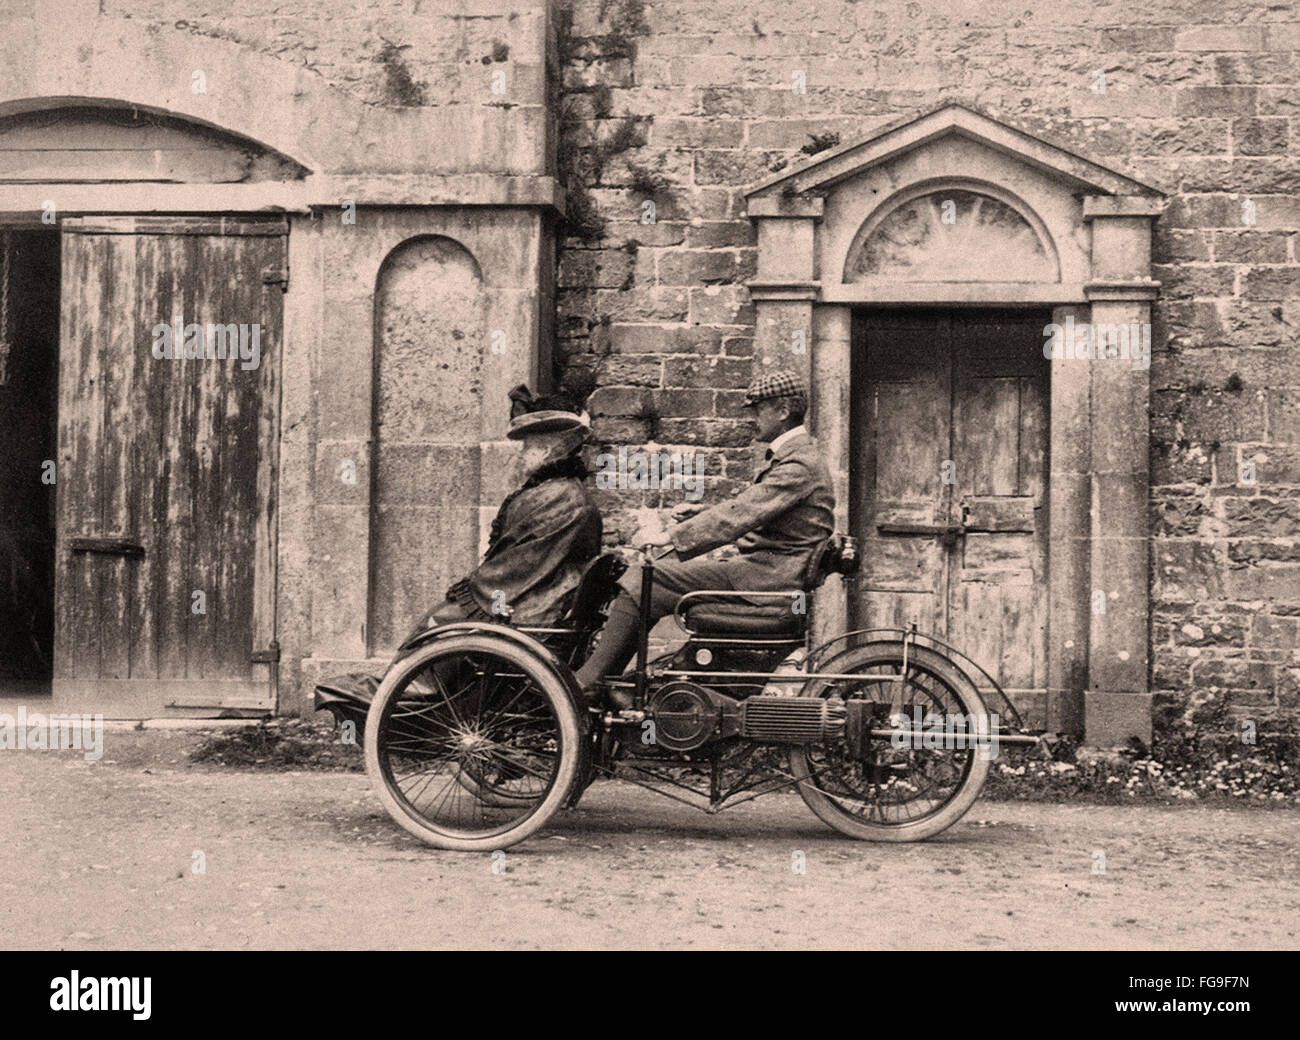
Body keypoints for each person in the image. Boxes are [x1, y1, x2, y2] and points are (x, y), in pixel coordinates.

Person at [315, 385, 601, 717]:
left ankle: (407, 699)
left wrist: (475, 592)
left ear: (549, 448)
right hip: (543, 604)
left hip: (529, 610)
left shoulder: (555, 498)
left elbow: (514, 570)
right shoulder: (563, 494)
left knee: (440, 622)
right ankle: (406, 693)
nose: (522, 455)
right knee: (442, 617)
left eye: (528, 447)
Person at [573, 370, 835, 708]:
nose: (751, 418)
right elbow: (756, 510)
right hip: (767, 574)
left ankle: (587, 682)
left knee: (643, 576)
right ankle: (618, 685)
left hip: (764, 580)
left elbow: (741, 513)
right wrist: (697, 517)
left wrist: (668, 534)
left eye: (757, 409)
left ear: (783, 410)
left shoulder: (798, 462)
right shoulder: (797, 457)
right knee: (660, 569)